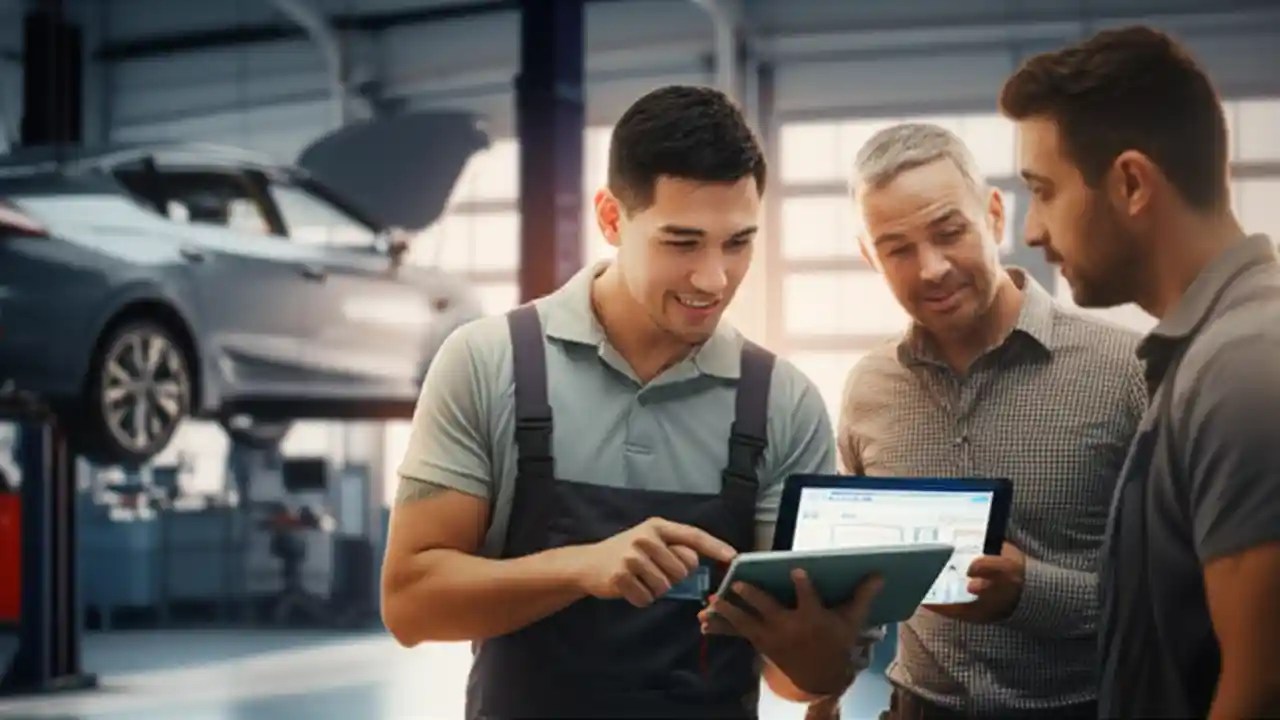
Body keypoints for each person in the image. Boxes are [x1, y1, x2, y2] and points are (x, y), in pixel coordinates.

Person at [380, 85, 882, 720]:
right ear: (612, 218)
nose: (714, 278)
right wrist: (582, 568)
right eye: (683, 242)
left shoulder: (783, 402)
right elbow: (410, 605)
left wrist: (829, 657)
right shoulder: (488, 364)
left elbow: (792, 681)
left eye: (738, 242)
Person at [1000, 25, 1280, 720]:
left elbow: (1261, 687)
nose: (1032, 233)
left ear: (1130, 183)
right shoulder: (1205, 352)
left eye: (1046, 191)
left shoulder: (1243, 367)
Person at [837, 122, 1147, 719]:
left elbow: (1177, 593)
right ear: (869, 257)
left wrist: (1029, 593)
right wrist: (823, 697)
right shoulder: (869, 389)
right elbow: (861, 587)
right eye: (898, 249)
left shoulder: (1126, 374)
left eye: (949, 232)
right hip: (916, 707)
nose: (930, 269)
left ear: (996, 216)